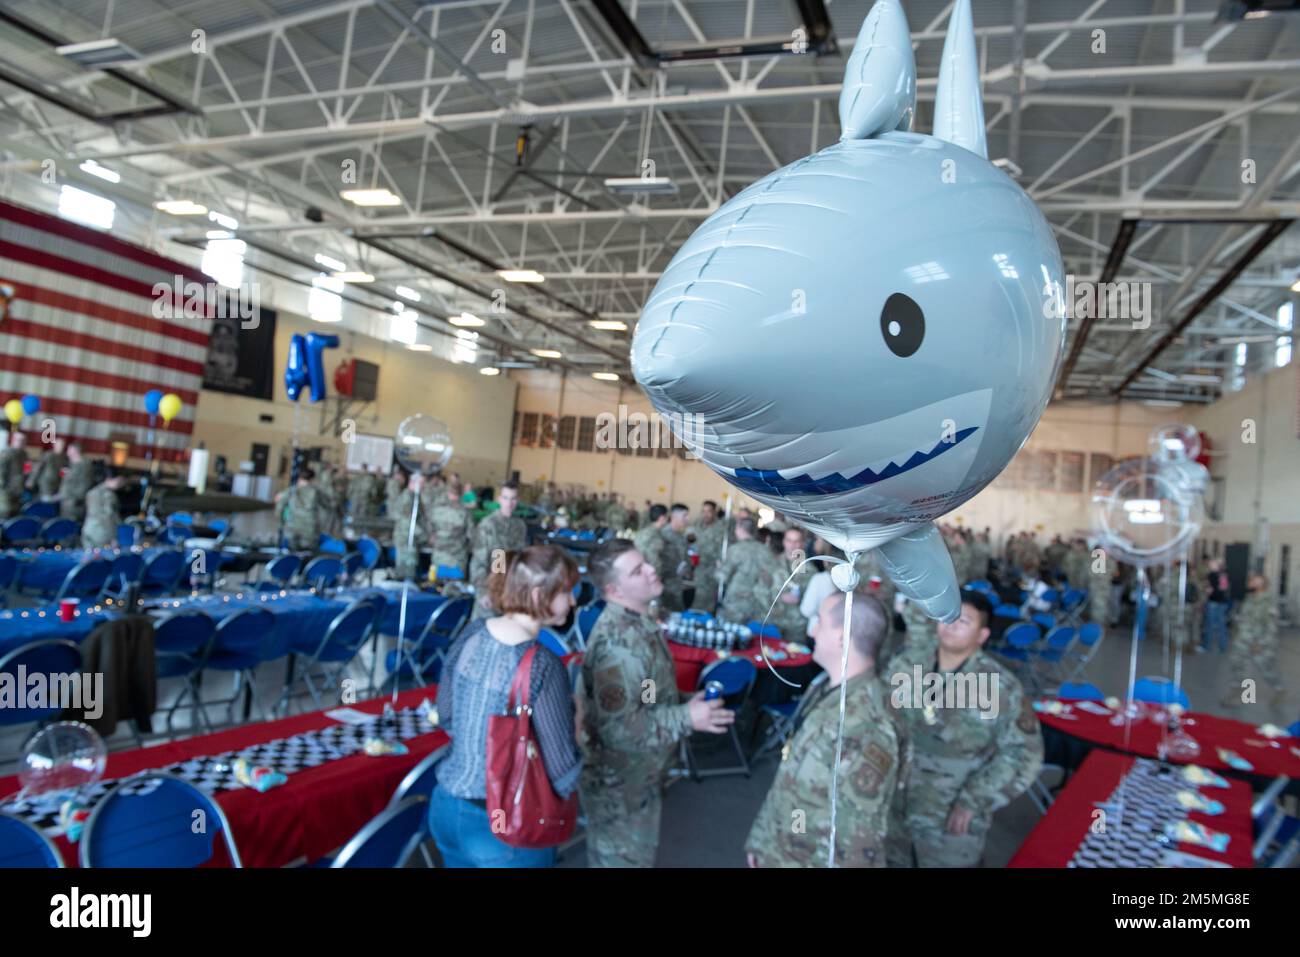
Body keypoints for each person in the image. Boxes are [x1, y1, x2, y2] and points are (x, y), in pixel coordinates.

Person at [579, 539, 734, 866]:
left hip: (644, 776)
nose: (651, 570)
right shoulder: (618, 645)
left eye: (646, 562)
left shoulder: (641, 626)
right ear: (615, 590)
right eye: (637, 570)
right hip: (620, 787)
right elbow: (619, 729)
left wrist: (690, 704)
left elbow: (648, 697)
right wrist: (686, 718)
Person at [430, 545, 583, 867]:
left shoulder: (471, 634)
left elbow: (446, 715)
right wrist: (578, 720)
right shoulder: (542, 664)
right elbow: (563, 772)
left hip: (447, 806)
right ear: (540, 595)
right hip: (505, 822)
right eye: (567, 591)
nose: (572, 601)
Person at [746, 589, 907, 867]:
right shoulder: (825, 688)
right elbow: (791, 775)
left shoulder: (868, 725)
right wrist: (763, 841)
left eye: (819, 621)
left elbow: (859, 839)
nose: (813, 630)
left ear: (842, 638)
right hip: (782, 851)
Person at [884, 589, 1043, 867]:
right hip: (894, 814)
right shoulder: (906, 666)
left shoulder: (999, 687)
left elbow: (1024, 754)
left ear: (982, 636)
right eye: (948, 617)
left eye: (964, 622)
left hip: (949, 823)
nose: (952, 625)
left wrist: (975, 799)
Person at [1222, 573, 1283, 709]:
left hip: (1258, 643)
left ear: (1261, 584)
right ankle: (1243, 695)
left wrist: (1261, 644)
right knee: (1240, 667)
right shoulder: (1249, 598)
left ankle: (1279, 688)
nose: (1250, 582)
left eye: (1253, 580)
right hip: (1243, 641)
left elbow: (1271, 627)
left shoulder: (1268, 602)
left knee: (1266, 669)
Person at [469, 481, 527, 619]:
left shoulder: (519, 526)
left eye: (513, 498)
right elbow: (478, 562)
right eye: (506, 498)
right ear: (499, 499)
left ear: (517, 501)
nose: (509, 503)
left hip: (511, 594)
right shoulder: (489, 525)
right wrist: (482, 592)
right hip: (490, 591)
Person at [716, 517, 780, 626]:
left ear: (740, 529)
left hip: (736, 603)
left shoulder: (735, 549)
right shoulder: (766, 551)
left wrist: (719, 567)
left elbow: (722, 577)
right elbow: (774, 577)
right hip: (759, 605)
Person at [769, 526, 814, 638]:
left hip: (797, 626)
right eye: (789, 540)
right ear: (784, 542)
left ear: (803, 543)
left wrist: (801, 597)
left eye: (796, 541)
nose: (792, 545)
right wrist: (780, 597)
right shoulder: (771, 564)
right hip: (773, 623)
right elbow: (759, 590)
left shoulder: (811, 569)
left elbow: (815, 598)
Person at [392, 471, 432, 580]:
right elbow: (409, 522)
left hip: (410, 539)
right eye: (422, 483)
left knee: (410, 571)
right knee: (406, 573)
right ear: (414, 482)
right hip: (406, 539)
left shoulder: (414, 497)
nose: (424, 486)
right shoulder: (407, 498)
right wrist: (426, 537)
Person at [429, 475, 473, 577]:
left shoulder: (437, 509)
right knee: (456, 590)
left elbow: (430, 530)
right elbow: (471, 535)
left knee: (435, 588)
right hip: (457, 559)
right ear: (461, 493)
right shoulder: (465, 511)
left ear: (447, 493)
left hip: (438, 558)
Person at [277, 467, 322, 551]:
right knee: (308, 554)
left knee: (291, 553)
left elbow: (280, 508)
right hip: (310, 529)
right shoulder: (317, 492)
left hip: (292, 528)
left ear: (299, 478)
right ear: (312, 479)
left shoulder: (291, 491)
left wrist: (281, 523)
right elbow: (328, 506)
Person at [82, 472, 125, 549]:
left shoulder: (91, 492)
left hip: (88, 530)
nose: (120, 485)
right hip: (102, 533)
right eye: (118, 481)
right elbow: (108, 517)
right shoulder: (109, 495)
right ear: (109, 479)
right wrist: (113, 538)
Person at [57, 442, 94, 522]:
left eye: (69, 450)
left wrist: (75, 499)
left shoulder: (84, 465)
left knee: (70, 523)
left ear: (75, 451)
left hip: (73, 501)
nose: (67, 452)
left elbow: (85, 484)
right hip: (66, 498)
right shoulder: (72, 464)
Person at [1201, 558, 1230, 654]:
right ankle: (1223, 646)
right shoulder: (1223, 575)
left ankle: (1206, 646)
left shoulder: (1211, 575)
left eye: (1212, 564)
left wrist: (1209, 590)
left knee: (1209, 625)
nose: (1210, 565)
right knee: (1221, 626)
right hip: (1222, 602)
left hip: (1213, 602)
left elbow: (1209, 589)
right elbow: (1224, 589)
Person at [0, 429, 27, 518]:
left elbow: (24, 469)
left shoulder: (23, 454)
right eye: (19, 440)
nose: (21, 443)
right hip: (6, 489)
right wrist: (2, 486)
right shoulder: (6, 453)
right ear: (13, 440)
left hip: (18, 488)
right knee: (5, 512)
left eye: (23, 441)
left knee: (15, 512)